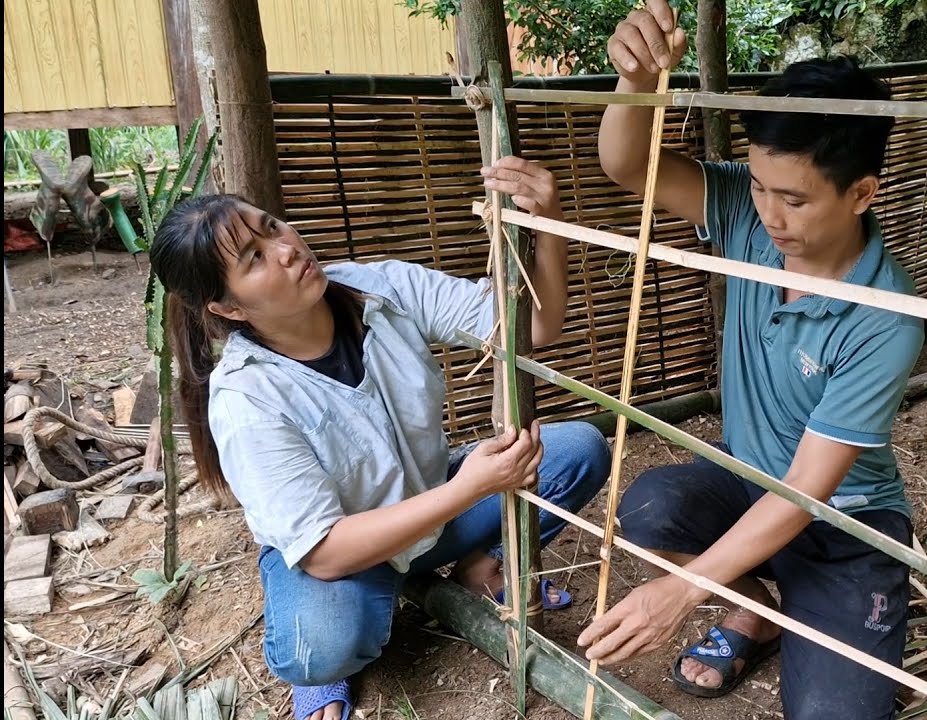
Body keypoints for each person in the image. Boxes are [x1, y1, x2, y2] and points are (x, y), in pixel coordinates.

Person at [150, 157, 610, 720]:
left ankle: (474, 564)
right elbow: (322, 551)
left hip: (436, 507)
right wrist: (469, 490)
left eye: (271, 227)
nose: (287, 248)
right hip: (345, 553)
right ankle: (335, 658)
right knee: (323, 646)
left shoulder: (382, 289)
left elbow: (531, 327)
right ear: (227, 307)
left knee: (578, 451)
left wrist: (547, 228)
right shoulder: (248, 397)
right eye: (255, 258)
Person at [574, 3, 925, 718]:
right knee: (648, 507)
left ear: (862, 192)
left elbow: (805, 490)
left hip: (844, 529)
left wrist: (679, 591)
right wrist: (636, 83)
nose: (769, 214)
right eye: (760, 186)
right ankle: (756, 612)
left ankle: (800, 604)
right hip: (747, 483)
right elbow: (625, 165)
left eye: (793, 198)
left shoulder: (887, 314)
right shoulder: (743, 207)